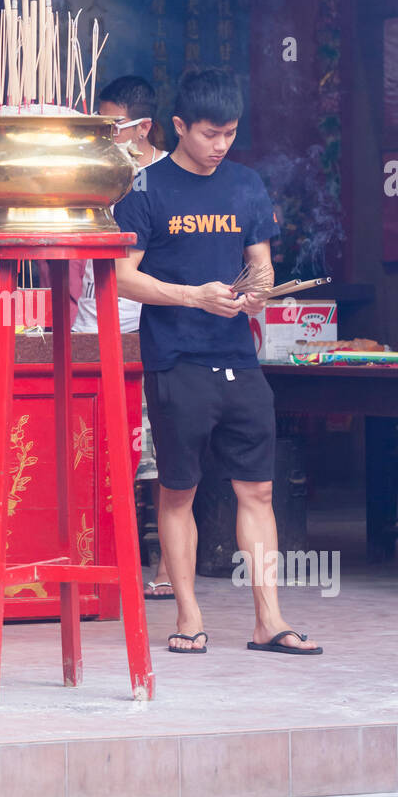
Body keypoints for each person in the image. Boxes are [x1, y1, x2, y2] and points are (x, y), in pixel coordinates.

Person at [114, 65, 322, 656]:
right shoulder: (145, 189)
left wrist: (261, 290)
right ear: (179, 126)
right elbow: (123, 278)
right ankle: (188, 616)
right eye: (209, 134)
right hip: (176, 356)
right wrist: (191, 296)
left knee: (257, 490)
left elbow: (261, 261)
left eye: (229, 134)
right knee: (179, 489)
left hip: (239, 356)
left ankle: (269, 621)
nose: (220, 145)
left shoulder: (245, 185)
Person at [71, 75, 172, 597]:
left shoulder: (164, 179)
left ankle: (160, 565)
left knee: (154, 454)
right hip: (88, 324)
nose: (105, 134)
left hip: (144, 328)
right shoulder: (96, 173)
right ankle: (101, 557)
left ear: (143, 127)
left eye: (113, 126)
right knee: (98, 449)